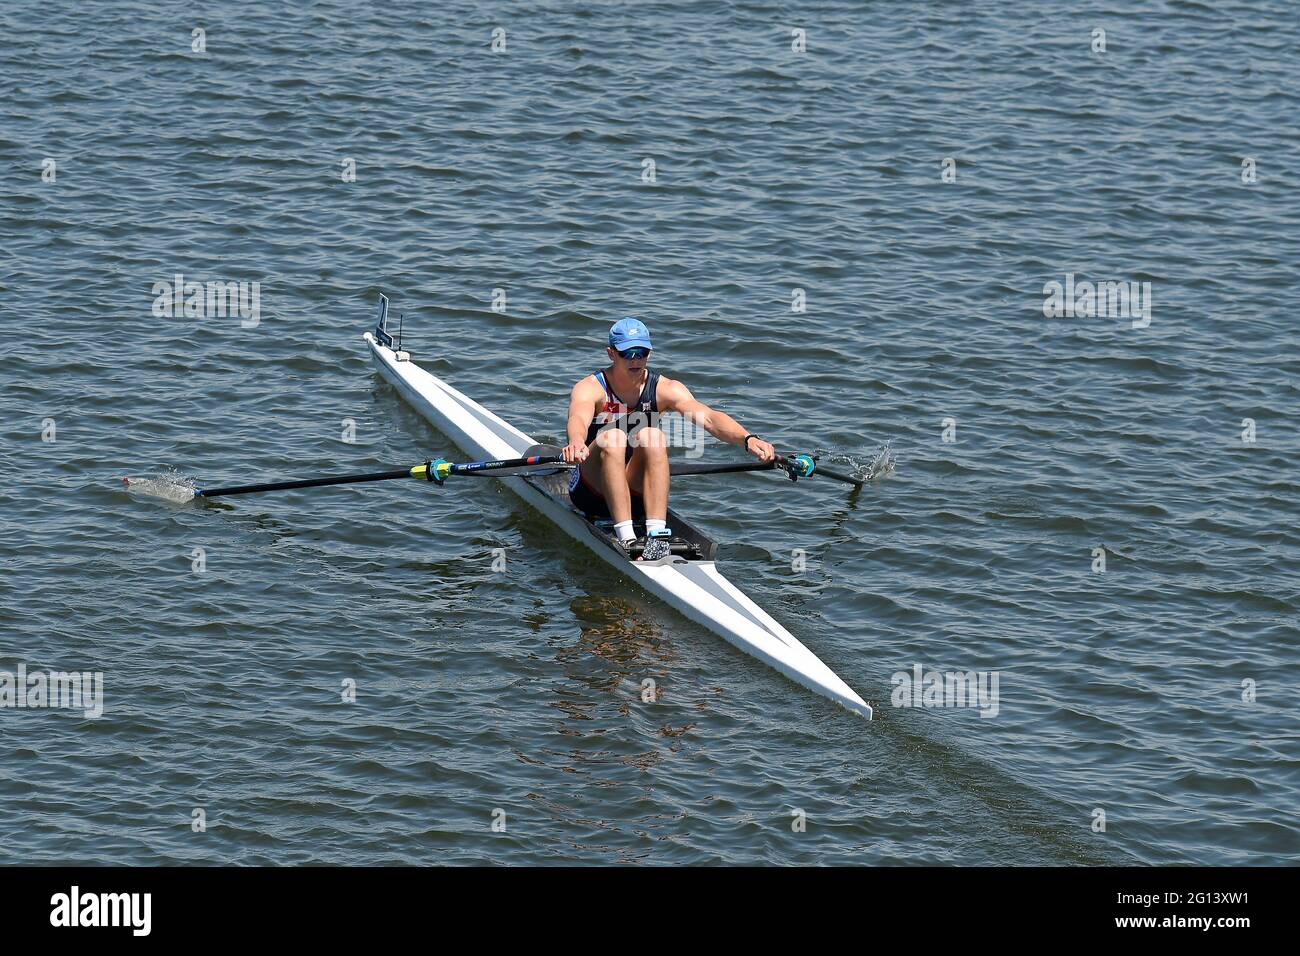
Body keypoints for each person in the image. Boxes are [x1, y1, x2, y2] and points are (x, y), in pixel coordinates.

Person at [562, 317, 776, 559]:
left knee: (652, 435)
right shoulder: (591, 388)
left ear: (649, 354)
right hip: (591, 492)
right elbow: (578, 418)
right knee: (613, 438)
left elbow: (709, 418)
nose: (635, 359)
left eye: (641, 352)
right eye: (627, 353)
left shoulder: (666, 389)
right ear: (611, 354)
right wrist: (577, 441)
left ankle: (656, 536)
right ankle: (627, 539)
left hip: (636, 494)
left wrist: (748, 439)